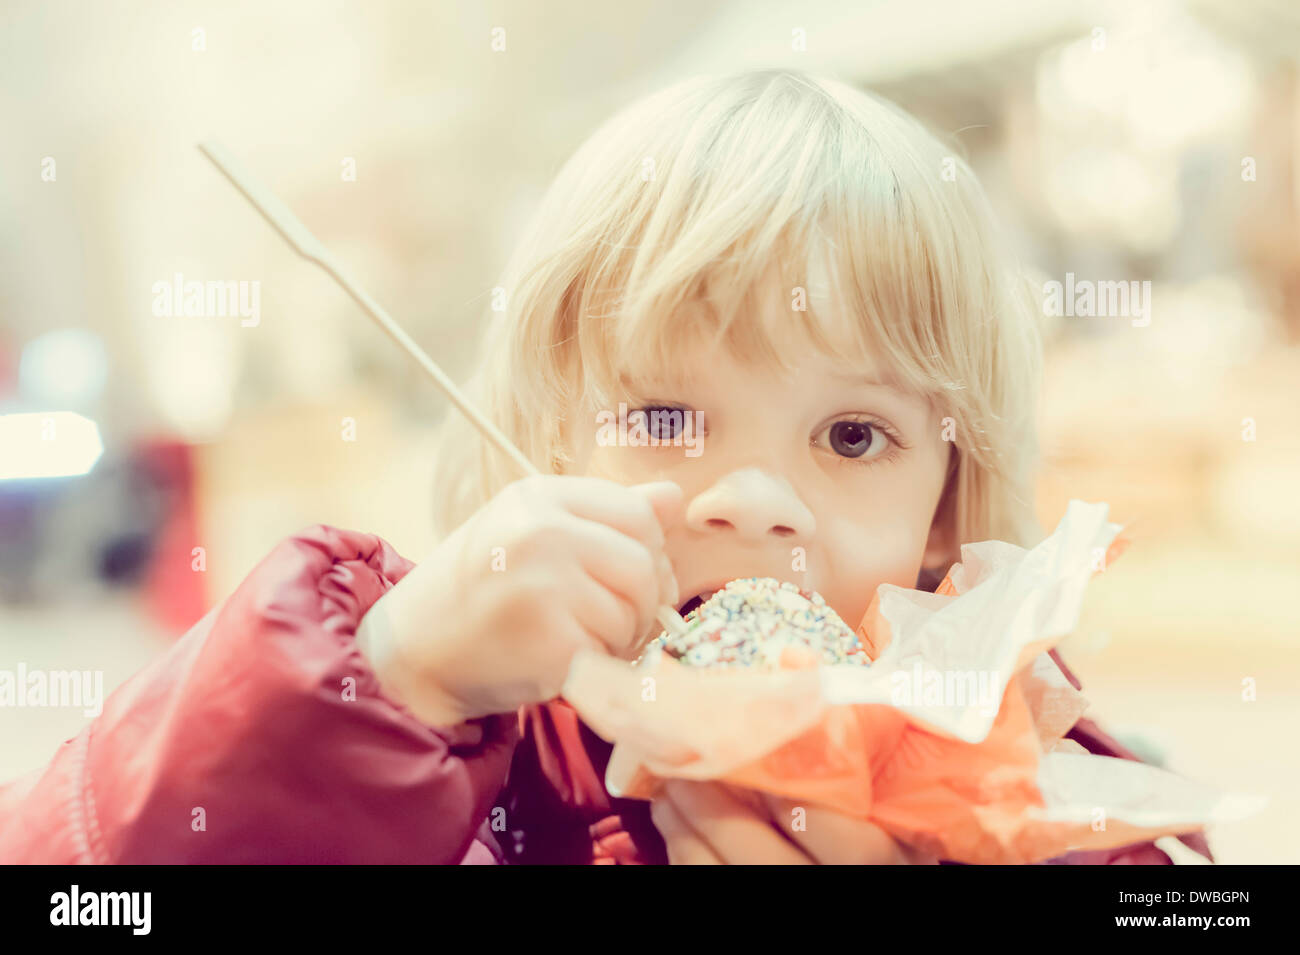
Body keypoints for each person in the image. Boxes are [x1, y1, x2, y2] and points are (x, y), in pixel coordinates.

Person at [0, 69, 1211, 864]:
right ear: (544, 445)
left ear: (944, 512)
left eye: (853, 437)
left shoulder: (1046, 797)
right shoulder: (451, 748)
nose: (751, 500)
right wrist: (377, 689)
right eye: (669, 418)